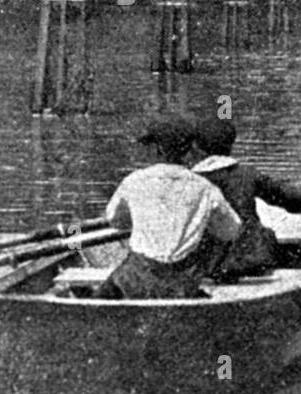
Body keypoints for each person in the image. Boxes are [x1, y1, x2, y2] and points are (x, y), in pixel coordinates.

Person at [94, 115, 241, 299]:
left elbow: (115, 221)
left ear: (157, 149)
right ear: (188, 151)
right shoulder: (205, 188)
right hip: (181, 282)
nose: (145, 151)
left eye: (148, 146)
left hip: (138, 278)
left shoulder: (133, 182)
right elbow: (231, 230)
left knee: (108, 289)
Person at [192, 118, 301, 280]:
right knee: (265, 236)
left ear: (197, 146)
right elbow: (296, 198)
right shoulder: (247, 175)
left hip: (205, 264)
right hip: (251, 258)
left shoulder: (189, 180)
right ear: (232, 144)